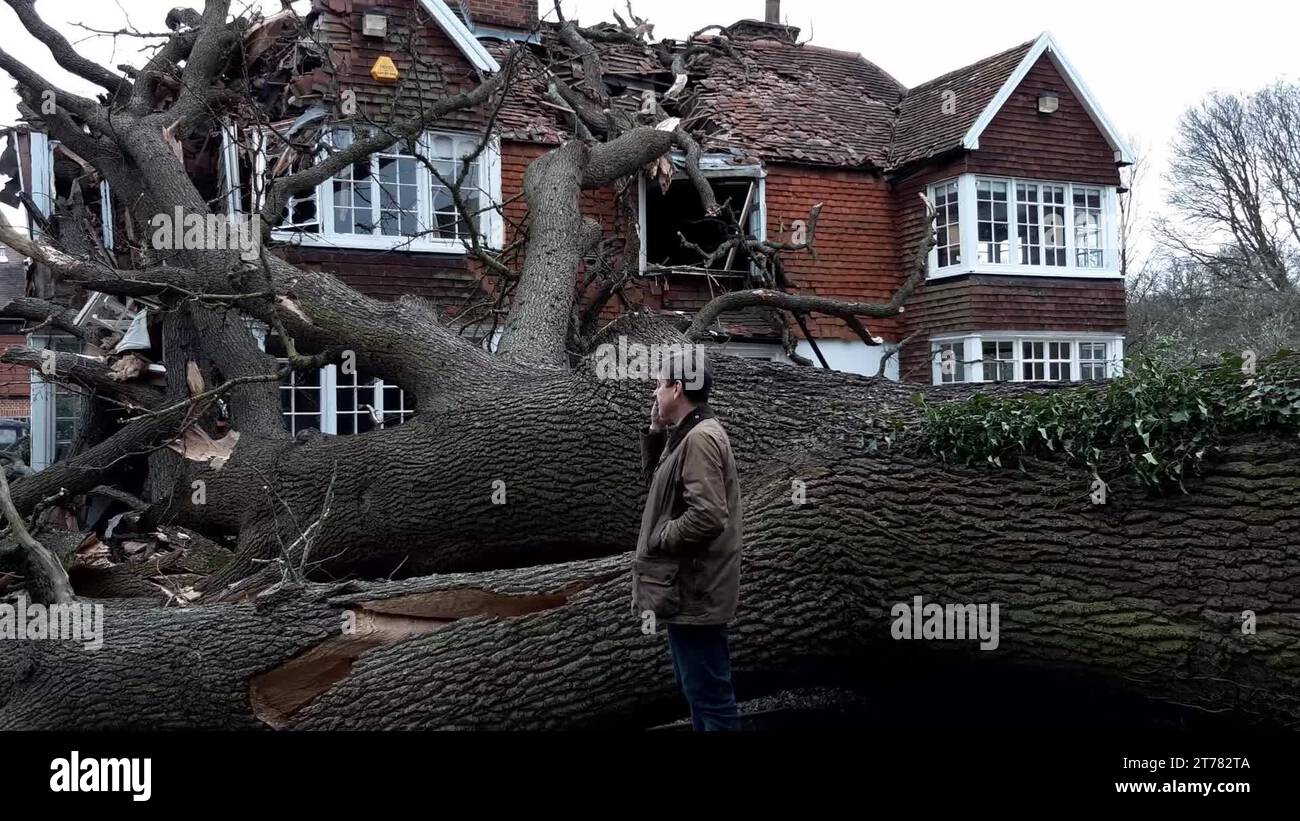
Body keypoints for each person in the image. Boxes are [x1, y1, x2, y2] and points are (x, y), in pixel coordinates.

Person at [632, 348, 743, 731]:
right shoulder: (685, 436)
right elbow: (659, 497)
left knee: (710, 697)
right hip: (688, 591)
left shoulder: (701, 439)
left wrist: (661, 538)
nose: (654, 393)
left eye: (659, 385)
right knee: (697, 689)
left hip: (698, 591)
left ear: (677, 388)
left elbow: (709, 515)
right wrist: (655, 435)